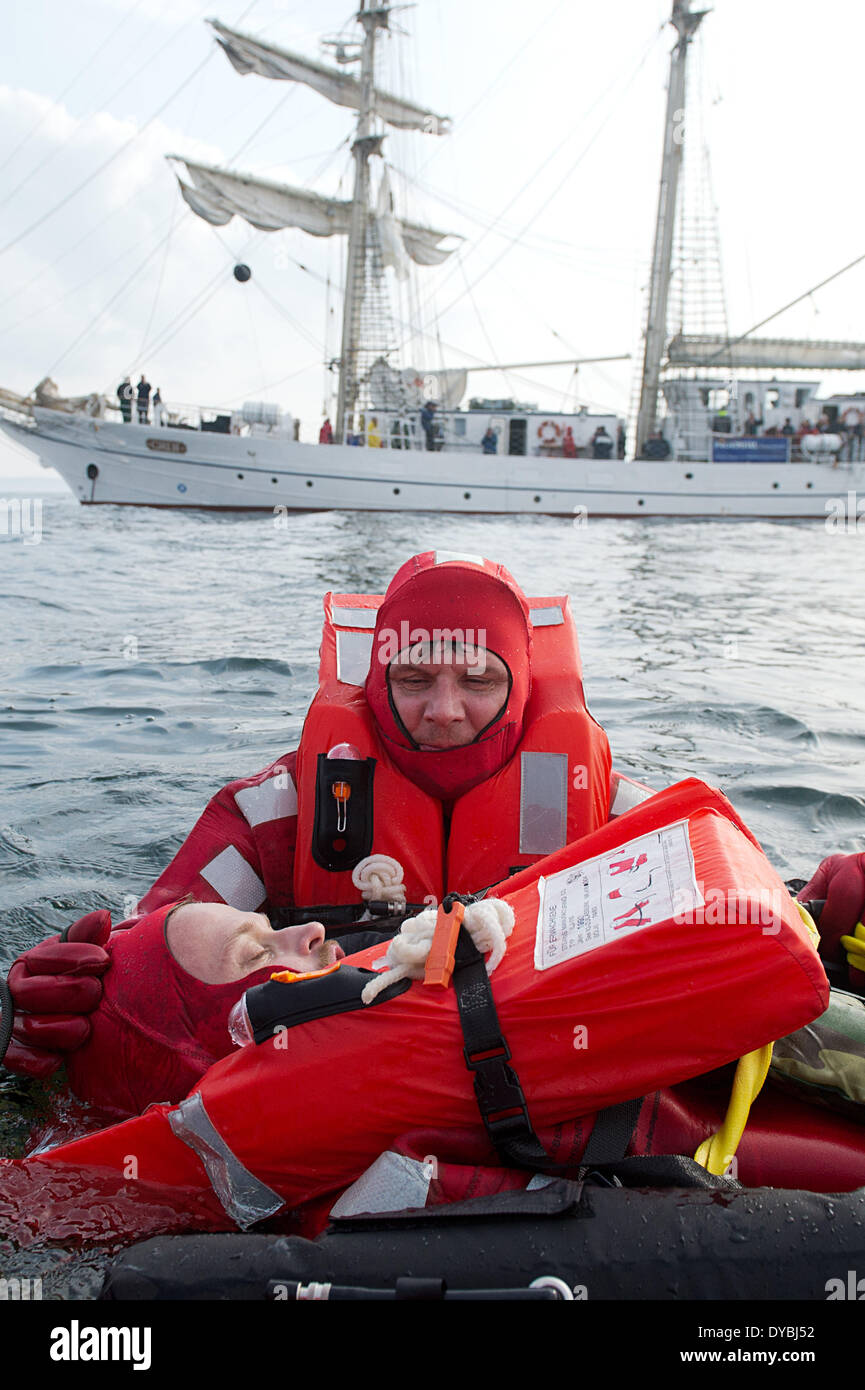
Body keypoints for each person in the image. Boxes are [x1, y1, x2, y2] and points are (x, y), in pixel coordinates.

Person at [5, 552, 612, 1084]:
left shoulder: (611, 809)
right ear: (377, 682)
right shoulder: (274, 808)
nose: (444, 711)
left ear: (523, 686)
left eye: (479, 679)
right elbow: (159, 935)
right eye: (414, 678)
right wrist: (43, 1002)